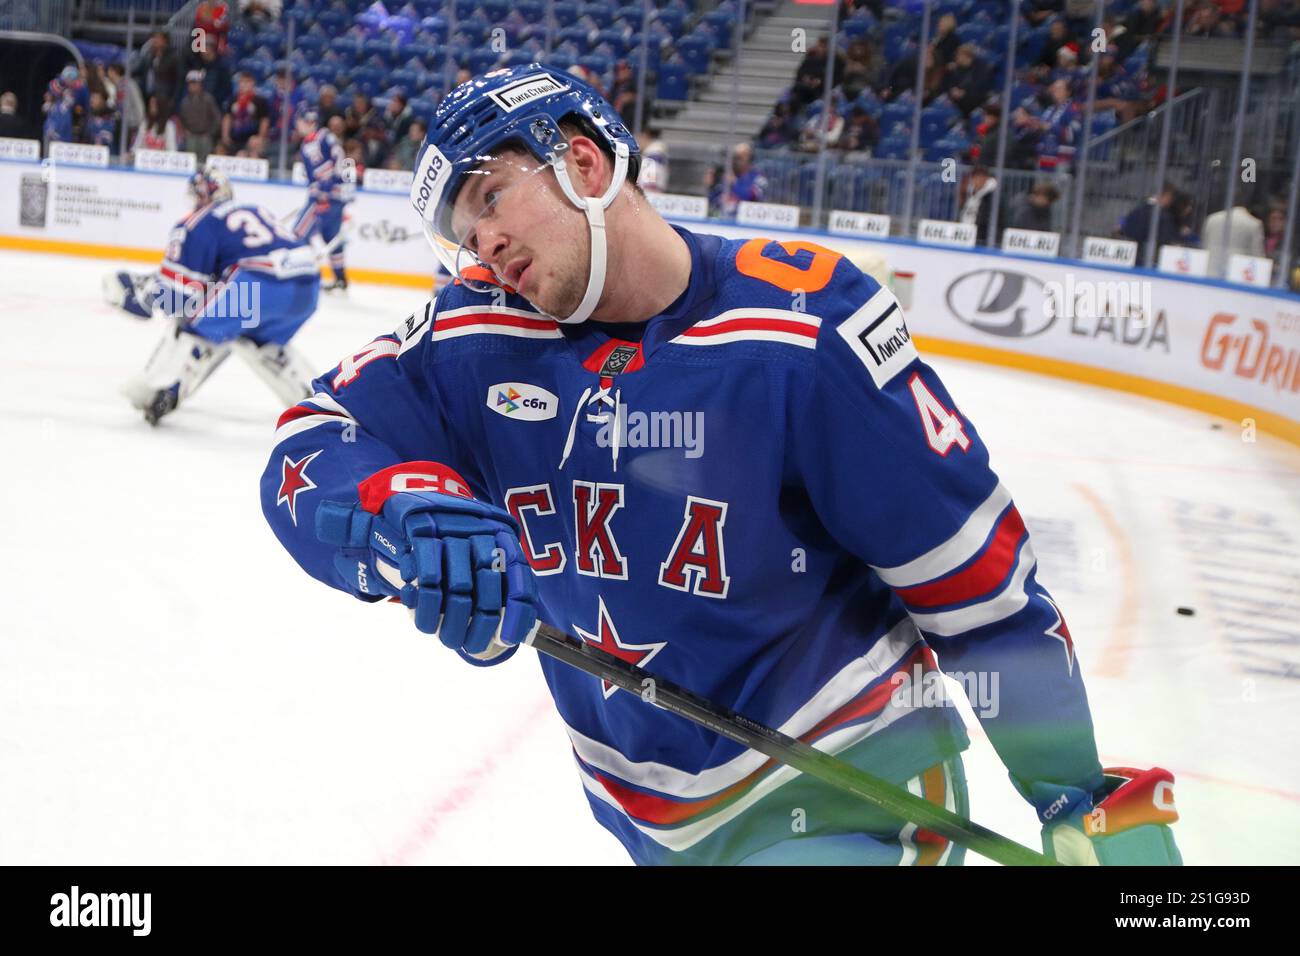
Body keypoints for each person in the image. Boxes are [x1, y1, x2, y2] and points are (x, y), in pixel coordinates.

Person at [258, 64, 1182, 866]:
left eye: (490, 196)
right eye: (463, 227)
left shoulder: (800, 326)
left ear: (584, 161)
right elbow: (313, 436)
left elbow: (972, 585)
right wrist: (396, 512)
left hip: (852, 789)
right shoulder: (474, 337)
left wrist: (1070, 790)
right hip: (651, 822)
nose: (482, 244)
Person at [116, 169, 321, 425]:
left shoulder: (198, 221)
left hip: (256, 286)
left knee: (193, 325)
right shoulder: (255, 209)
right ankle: (317, 402)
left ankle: (161, 387)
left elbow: (178, 296)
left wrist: (145, 298)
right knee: (258, 341)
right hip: (308, 285)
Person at [292, 107, 354, 291]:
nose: (297, 125)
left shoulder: (322, 138)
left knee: (299, 232)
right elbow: (315, 176)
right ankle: (341, 278)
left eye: (300, 121)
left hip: (326, 197)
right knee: (331, 237)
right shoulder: (309, 143)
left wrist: (324, 193)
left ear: (308, 122)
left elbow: (335, 165)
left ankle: (301, 275)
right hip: (329, 196)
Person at [1203, 197, 1265, 278]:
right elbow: (1257, 257)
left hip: (1209, 270)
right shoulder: (1254, 224)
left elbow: (1205, 244)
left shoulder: (1212, 218)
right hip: (1237, 275)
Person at [179, 69, 222, 161]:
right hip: (191, 136)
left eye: (195, 83)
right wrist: (185, 130)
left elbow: (217, 118)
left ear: (200, 84)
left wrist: (210, 132)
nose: (193, 86)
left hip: (205, 135)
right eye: (191, 83)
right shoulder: (185, 101)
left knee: (205, 159)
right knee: (190, 158)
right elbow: (181, 118)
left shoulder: (208, 99)